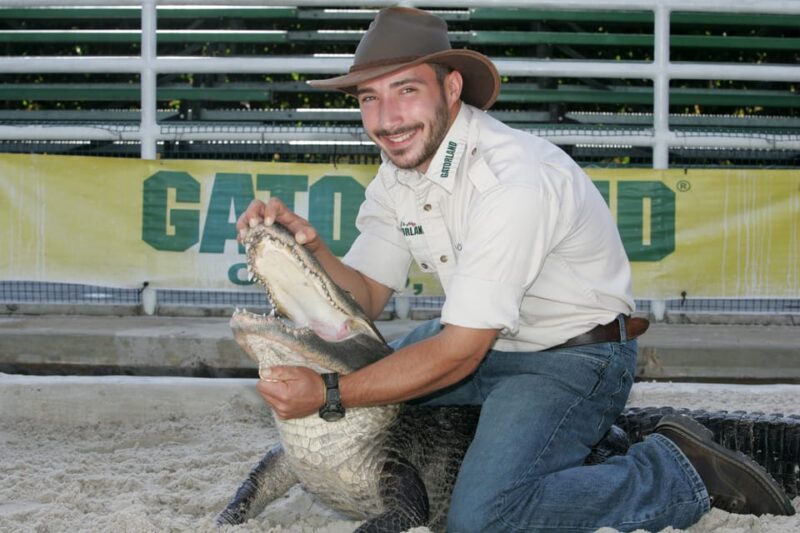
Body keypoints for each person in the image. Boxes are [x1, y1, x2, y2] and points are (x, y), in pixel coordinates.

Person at [236, 6, 794, 531]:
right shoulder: (400, 172)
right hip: (487, 341)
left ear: (451, 89)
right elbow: (366, 297)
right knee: (383, 391)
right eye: (369, 98)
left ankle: (675, 474)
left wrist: (331, 394)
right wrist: (309, 252)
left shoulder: (511, 180)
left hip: (572, 357)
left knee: (485, 520)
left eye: (406, 90)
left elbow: (459, 352)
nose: (386, 119)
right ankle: (586, 451)